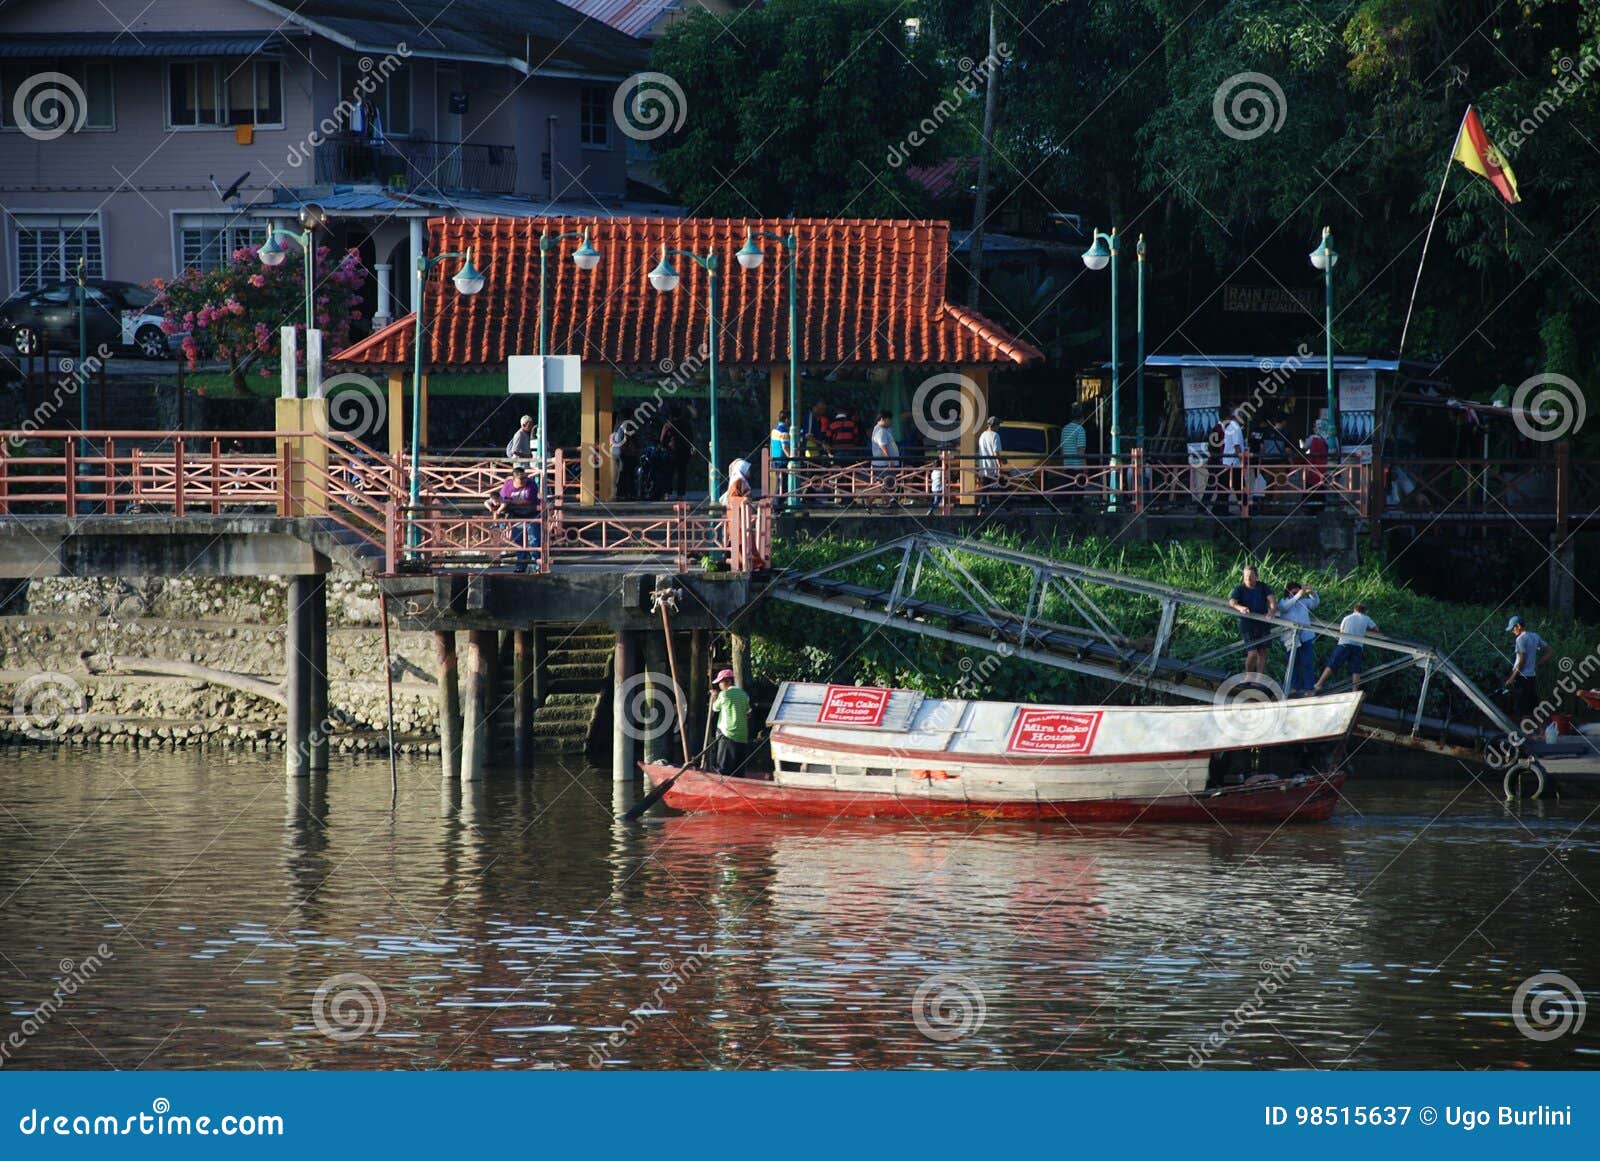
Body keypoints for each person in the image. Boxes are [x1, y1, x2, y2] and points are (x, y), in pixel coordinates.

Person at [486, 465, 541, 573]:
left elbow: (528, 501)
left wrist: (510, 502)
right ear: (514, 479)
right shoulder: (508, 486)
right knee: (518, 542)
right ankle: (521, 565)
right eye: (521, 479)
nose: (524, 481)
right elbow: (502, 500)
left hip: (532, 514)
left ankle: (536, 566)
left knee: (534, 540)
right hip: (516, 516)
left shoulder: (531, 484)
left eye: (525, 478)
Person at [1313, 601, 1377, 693]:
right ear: (1365, 611)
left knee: (1332, 664)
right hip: (1357, 645)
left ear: (1354, 609)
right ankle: (1354, 691)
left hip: (1344, 643)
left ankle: (1319, 684)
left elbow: (1341, 631)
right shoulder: (1366, 618)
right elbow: (1376, 629)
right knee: (1356, 668)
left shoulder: (1347, 617)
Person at [1227, 564, 1277, 674]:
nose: (1248, 579)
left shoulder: (1263, 586)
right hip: (1247, 624)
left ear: (1256, 576)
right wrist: (1240, 607)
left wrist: (1272, 611)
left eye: (1250, 576)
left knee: (1262, 652)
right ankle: (1248, 676)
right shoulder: (1239, 588)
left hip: (1263, 623)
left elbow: (1272, 600)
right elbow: (1232, 602)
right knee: (1253, 653)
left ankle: (1258, 679)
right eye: (1245, 577)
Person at [1502, 615, 1553, 718]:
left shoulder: (1520, 639)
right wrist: (1538, 664)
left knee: (1523, 708)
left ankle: (1526, 734)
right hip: (1531, 677)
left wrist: (1511, 678)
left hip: (1521, 677)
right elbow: (1550, 651)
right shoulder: (1535, 636)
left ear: (1519, 626)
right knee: (1535, 706)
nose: (1512, 631)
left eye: (1513, 628)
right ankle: (1542, 732)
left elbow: (1521, 661)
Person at [1278, 581, 1321, 694]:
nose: (1297, 593)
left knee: (1307, 662)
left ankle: (1309, 688)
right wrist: (1298, 595)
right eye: (1294, 591)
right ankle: (1294, 687)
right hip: (1290, 638)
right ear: (1288, 592)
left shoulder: (1304, 602)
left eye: (1298, 590)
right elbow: (1284, 608)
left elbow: (1315, 603)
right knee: (1292, 663)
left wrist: (1311, 592)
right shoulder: (1284, 602)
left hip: (1306, 636)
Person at [709, 667, 751, 776]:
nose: (719, 685)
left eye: (720, 682)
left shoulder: (724, 695)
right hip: (742, 736)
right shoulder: (744, 695)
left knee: (723, 769)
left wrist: (714, 696)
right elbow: (748, 713)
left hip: (727, 734)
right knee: (738, 771)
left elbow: (715, 708)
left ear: (727, 681)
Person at [659, 405, 693, 500]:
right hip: (684, 453)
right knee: (682, 474)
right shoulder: (687, 424)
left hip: (671, 452)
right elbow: (690, 438)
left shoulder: (668, 425)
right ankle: (680, 495)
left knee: (669, 473)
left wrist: (665, 446)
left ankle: (667, 494)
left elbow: (662, 440)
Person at [870, 410, 899, 502]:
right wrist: (890, 460)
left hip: (884, 463)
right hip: (884, 464)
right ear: (882, 419)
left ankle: (874, 502)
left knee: (884, 485)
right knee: (887, 485)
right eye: (889, 420)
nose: (890, 422)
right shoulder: (881, 431)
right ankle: (883, 505)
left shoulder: (883, 430)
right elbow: (883, 446)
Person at [611, 409, 639, 500]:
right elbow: (627, 439)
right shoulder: (626, 424)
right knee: (626, 473)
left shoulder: (617, 425)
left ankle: (618, 494)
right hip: (624, 452)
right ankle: (626, 493)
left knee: (619, 473)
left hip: (614, 452)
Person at [1221, 411, 1246, 510]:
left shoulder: (1230, 427)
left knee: (1229, 487)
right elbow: (1237, 446)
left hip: (1228, 461)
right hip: (1233, 463)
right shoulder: (1236, 428)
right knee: (1240, 487)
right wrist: (1242, 461)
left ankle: (1221, 509)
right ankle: (1244, 509)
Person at [977, 416, 1003, 506]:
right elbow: (996, 452)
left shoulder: (982, 435)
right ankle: (1009, 509)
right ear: (994, 425)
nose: (999, 426)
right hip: (992, 467)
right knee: (1003, 486)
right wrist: (999, 466)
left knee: (985, 490)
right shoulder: (995, 435)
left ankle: (981, 510)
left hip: (983, 466)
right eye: (998, 424)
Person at [769, 412, 791, 499]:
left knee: (780, 482)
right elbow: (785, 447)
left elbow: (772, 445)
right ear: (786, 419)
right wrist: (792, 458)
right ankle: (778, 504)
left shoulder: (774, 430)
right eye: (790, 419)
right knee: (782, 483)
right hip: (782, 461)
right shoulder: (784, 431)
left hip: (775, 459)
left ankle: (778, 503)